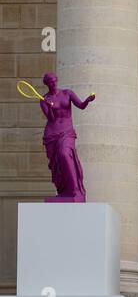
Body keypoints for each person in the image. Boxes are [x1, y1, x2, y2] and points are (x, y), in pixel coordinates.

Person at [35, 72, 93, 203]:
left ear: (57, 80)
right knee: (58, 165)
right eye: (50, 81)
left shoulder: (67, 93)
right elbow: (51, 118)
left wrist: (87, 100)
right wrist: (49, 108)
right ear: (47, 84)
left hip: (67, 131)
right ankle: (64, 191)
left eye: (54, 80)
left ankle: (75, 190)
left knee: (64, 154)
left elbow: (81, 105)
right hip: (51, 134)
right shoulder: (44, 99)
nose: (53, 83)